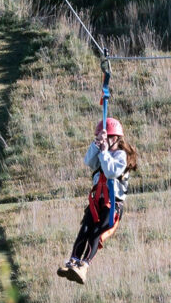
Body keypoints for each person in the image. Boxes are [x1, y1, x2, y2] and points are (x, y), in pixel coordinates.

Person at [57, 117, 137, 284]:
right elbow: (88, 161)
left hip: (112, 204)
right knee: (84, 230)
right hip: (96, 202)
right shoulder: (102, 153)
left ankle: (84, 265)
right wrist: (97, 145)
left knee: (95, 234)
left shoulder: (121, 156)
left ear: (114, 138)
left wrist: (105, 152)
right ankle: (73, 261)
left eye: (105, 137)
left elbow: (110, 172)